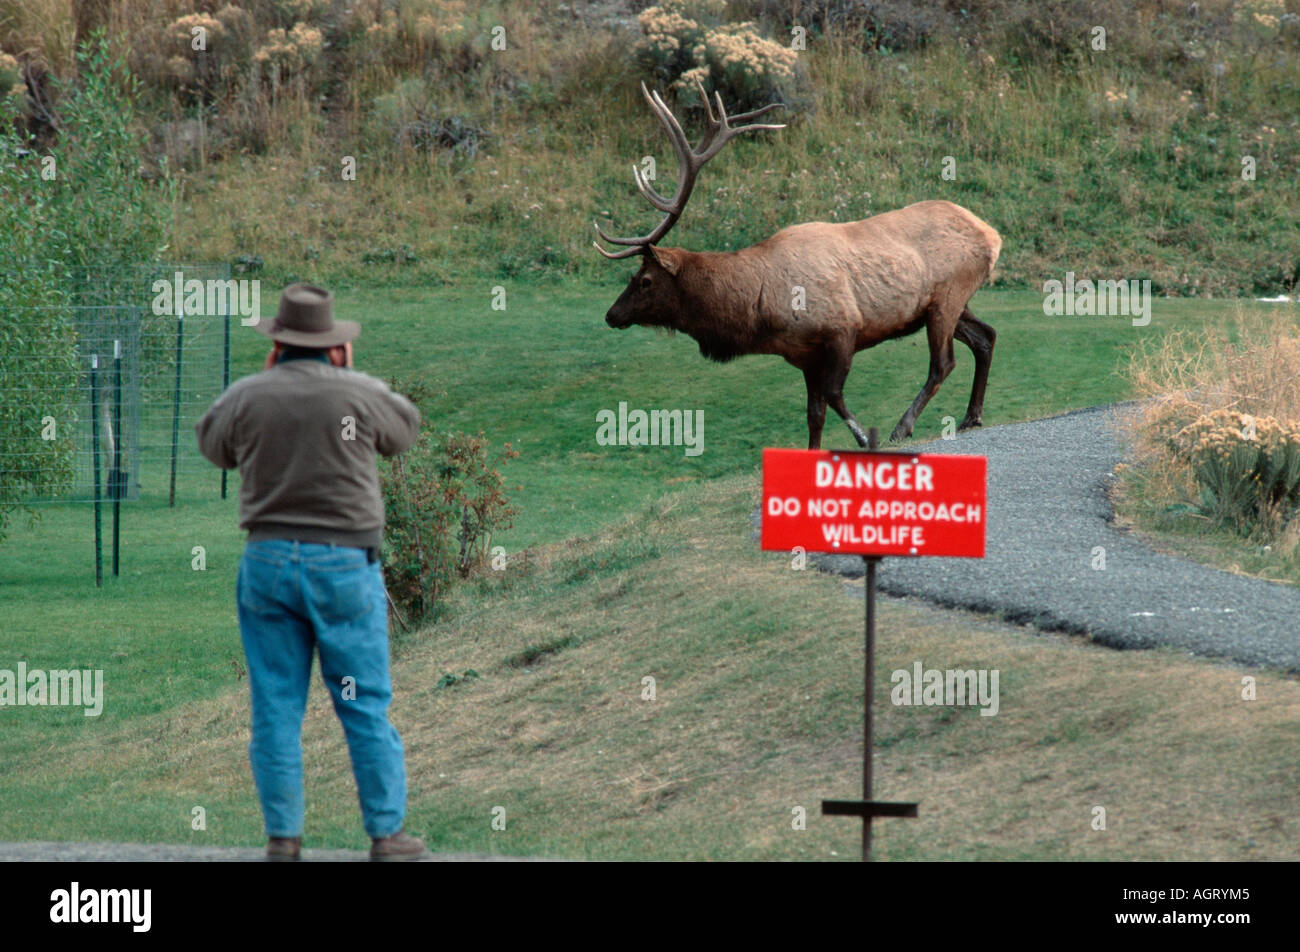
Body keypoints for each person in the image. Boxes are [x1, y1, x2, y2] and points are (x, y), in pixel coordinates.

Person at [196, 283, 429, 862]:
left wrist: (266, 385)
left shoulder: (250, 395)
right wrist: (350, 377)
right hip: (344, 566)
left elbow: (212, 445)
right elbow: (404, 430)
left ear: (276, 343)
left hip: (269, 562)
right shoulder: (356, 392)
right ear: (334, 346)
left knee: (276, 705)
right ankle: (386, 835)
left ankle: (284, 838)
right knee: (362, 701)